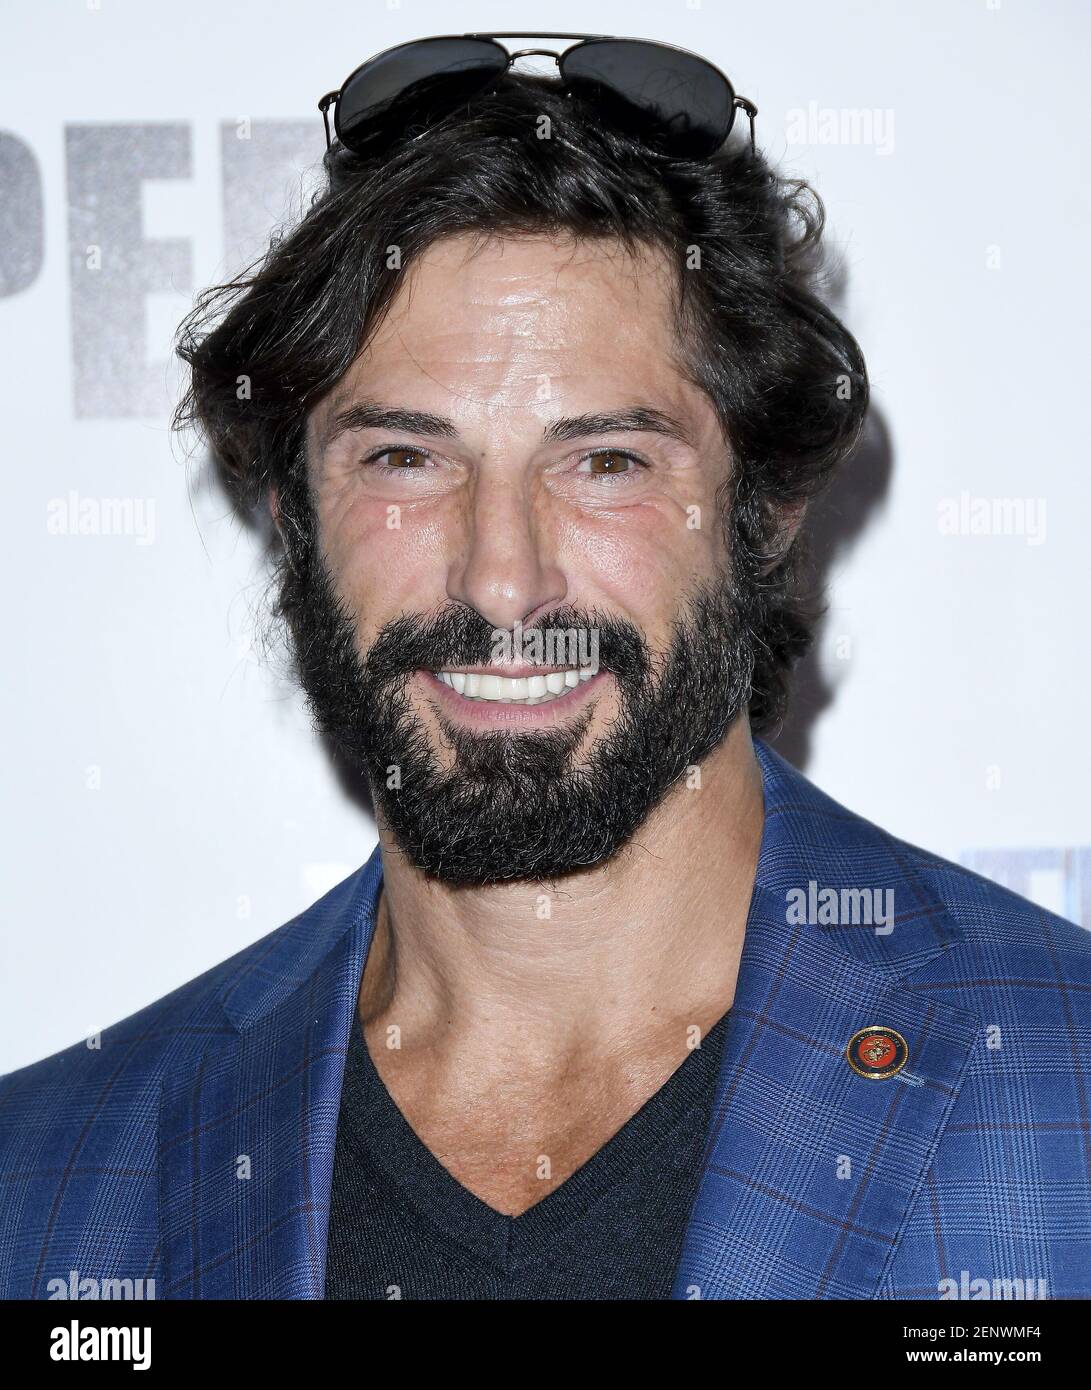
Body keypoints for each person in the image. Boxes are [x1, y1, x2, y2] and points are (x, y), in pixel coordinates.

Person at [2, 34, 1088, 1301]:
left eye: (606, 462)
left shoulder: (1062, 1092)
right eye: (405, 458)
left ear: (765, 509)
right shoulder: (50, 1184)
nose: (502, 581)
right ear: (294, 513)